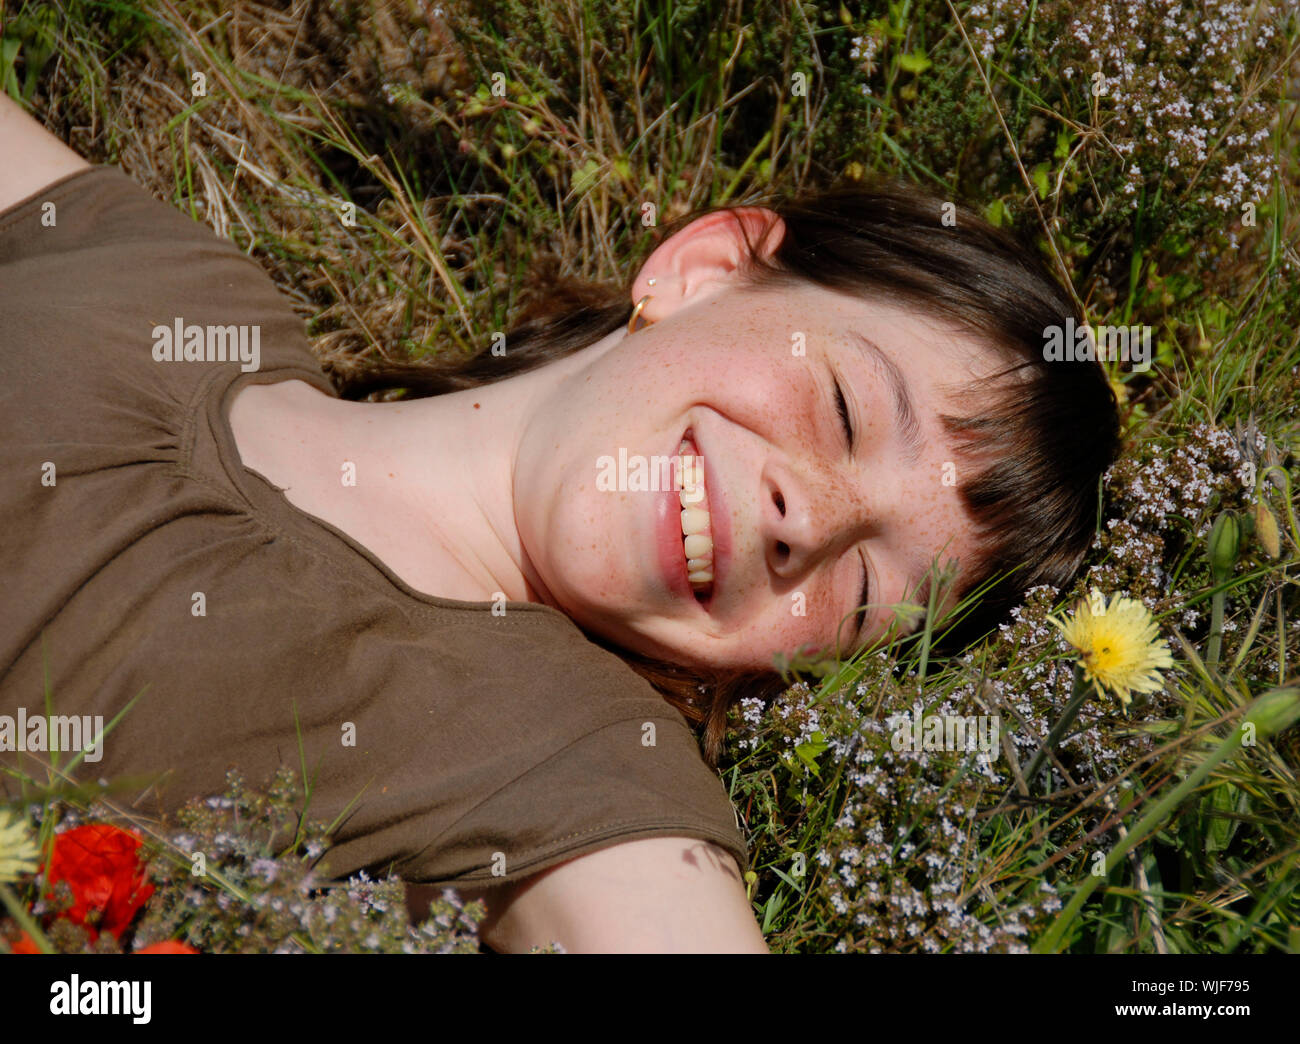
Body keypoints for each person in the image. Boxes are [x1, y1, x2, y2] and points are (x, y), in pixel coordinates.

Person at [0, 92, 1119, 952]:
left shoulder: (571, 765)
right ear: (707, 269)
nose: (806, 521)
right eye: (842, 408)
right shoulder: (181, 287)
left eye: (865, 591)